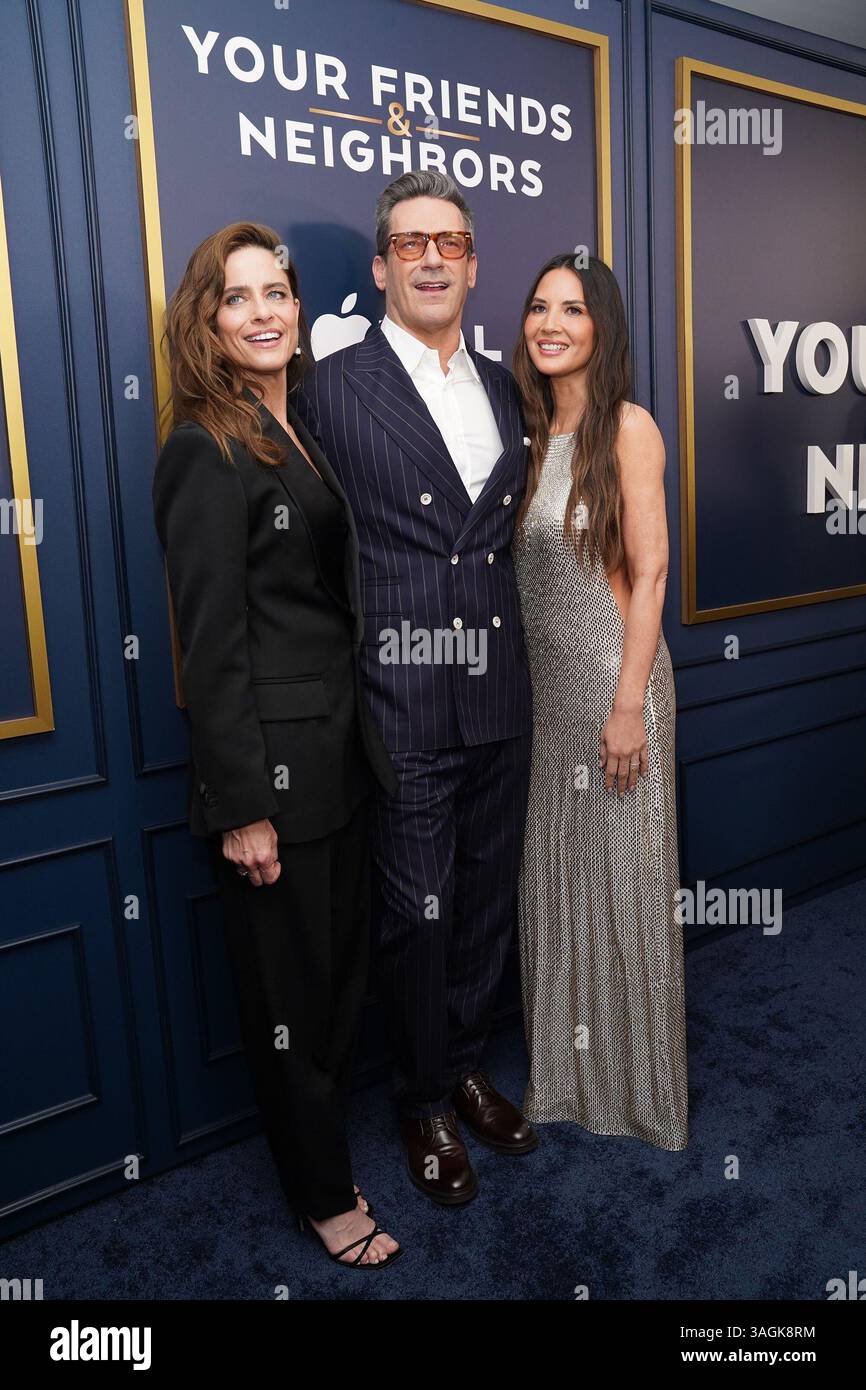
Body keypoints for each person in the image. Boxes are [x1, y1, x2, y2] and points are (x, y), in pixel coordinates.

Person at [152, 221, 404, 1267]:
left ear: (299, 311)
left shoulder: (291, 426)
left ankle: (324, 1153)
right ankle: (319, 1194)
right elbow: (208, 652)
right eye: (237, 296)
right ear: (206, 322)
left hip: (339, 760)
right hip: (275, 783)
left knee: (338, 980)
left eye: (277, 292)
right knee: (289, 1001)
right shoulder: (200, 447)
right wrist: (243, 802)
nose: (263, 311)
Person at [296, 171, 538, 1205]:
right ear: (381, 267)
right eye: (409, 243)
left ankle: (470, 1061)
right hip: (399, 696)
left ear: (472, 264)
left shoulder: (503, 386)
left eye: (448, 242)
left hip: (499, 689)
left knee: (484, 897)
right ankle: (422, 1098)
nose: (430, 258)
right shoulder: (328, 390)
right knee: (416, 913)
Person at [511, 251, 688, 1151]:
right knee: (564, 883)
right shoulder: (529, 433)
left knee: (624, 887)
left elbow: (652, 573)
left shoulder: (628, 428)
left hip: (617, 686)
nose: (551, 323)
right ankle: (572, 1077)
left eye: (572, 310)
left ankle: (639, 1091)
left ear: (601, 327)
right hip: (551, 701)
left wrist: (628, 705)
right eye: (540, 307)